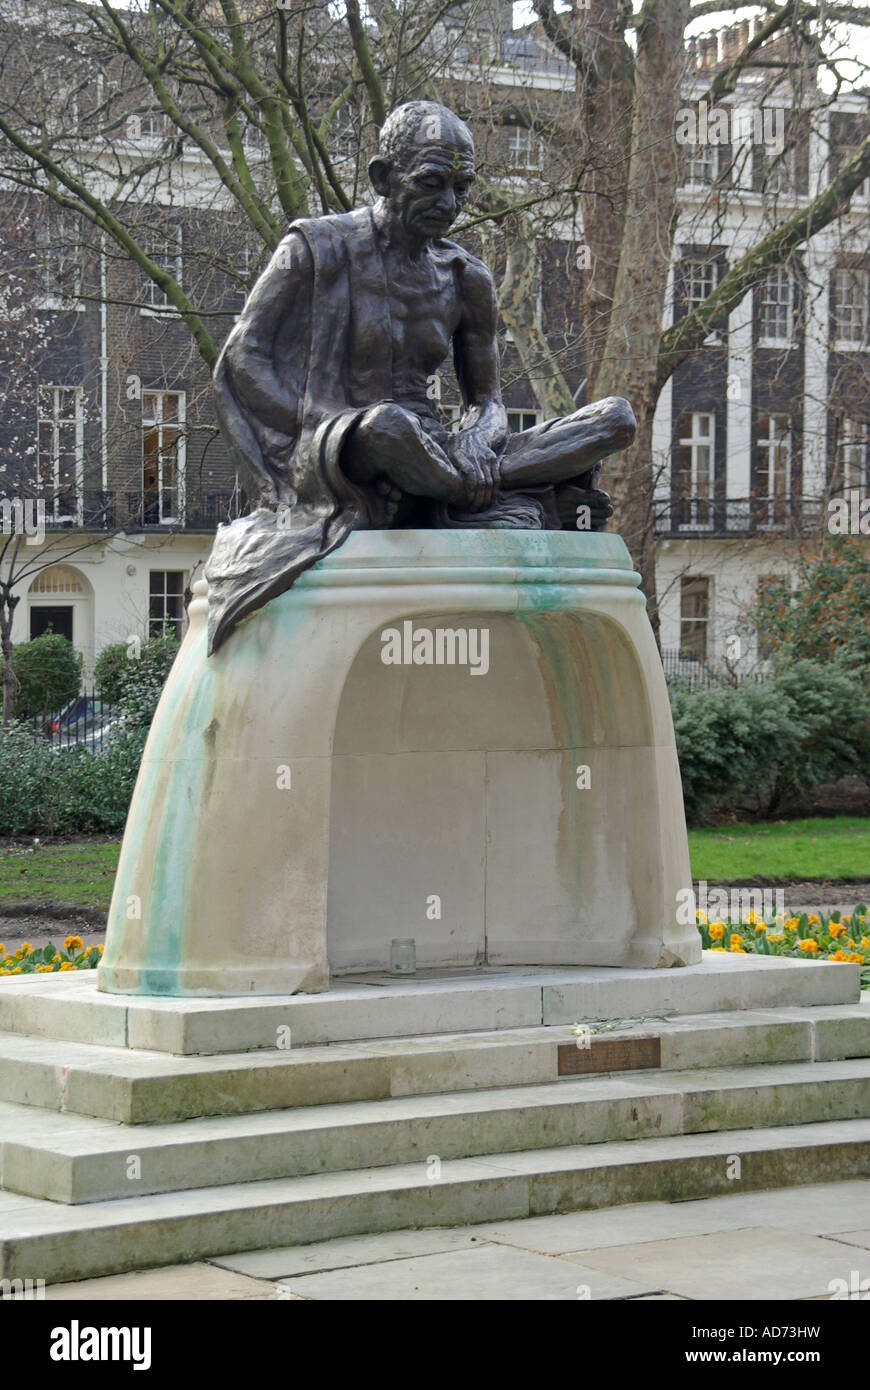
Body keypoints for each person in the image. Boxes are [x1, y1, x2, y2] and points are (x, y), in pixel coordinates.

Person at [207, 100, 635, 654]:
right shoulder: (314, 248)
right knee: (389, 425)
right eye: (432, 182)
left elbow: (488, 399)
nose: (449, 203)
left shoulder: (466, 278)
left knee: (615, 418)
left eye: (462, 187)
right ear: (383, 177)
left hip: (438, 451)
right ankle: (481, 496)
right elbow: (243, 357)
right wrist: (323, 421)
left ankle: (453, 493)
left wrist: (479, 437)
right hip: (343, 443)